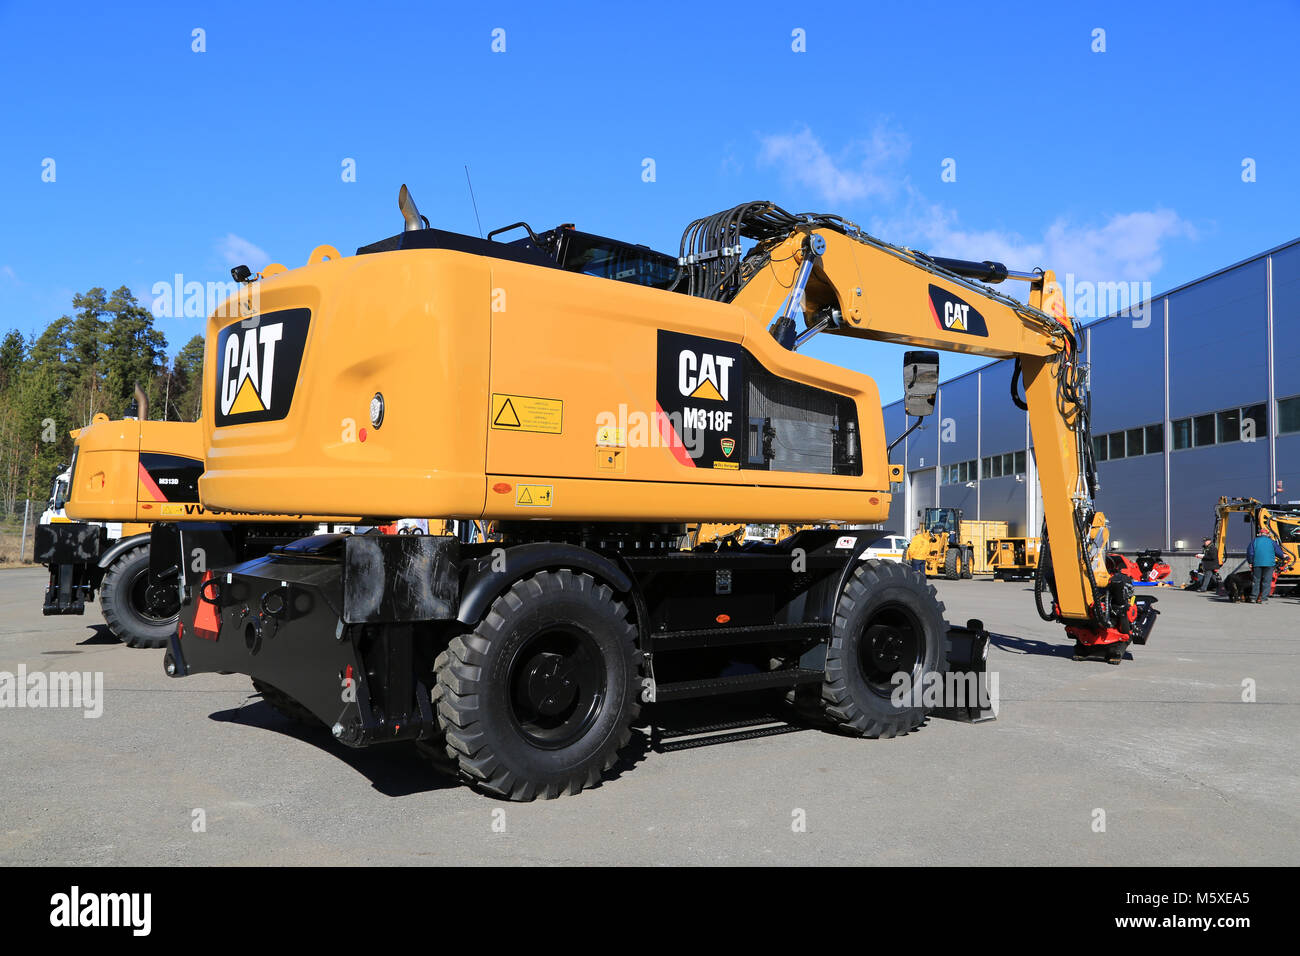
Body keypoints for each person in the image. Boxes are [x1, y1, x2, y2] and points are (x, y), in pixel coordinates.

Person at [1248, 528, 1286, 603]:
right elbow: (1278, 552)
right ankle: (1263, 598)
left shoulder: (1254, 541)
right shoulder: (1272, 542)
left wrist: (1250, 562)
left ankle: (1253, 597)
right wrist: (1284, 556)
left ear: (1259, 534)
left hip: (1257, 563)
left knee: (1256, 581)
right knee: (1266, 581)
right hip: (1269, 564)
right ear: (1268, 534)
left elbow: (1250, 553)